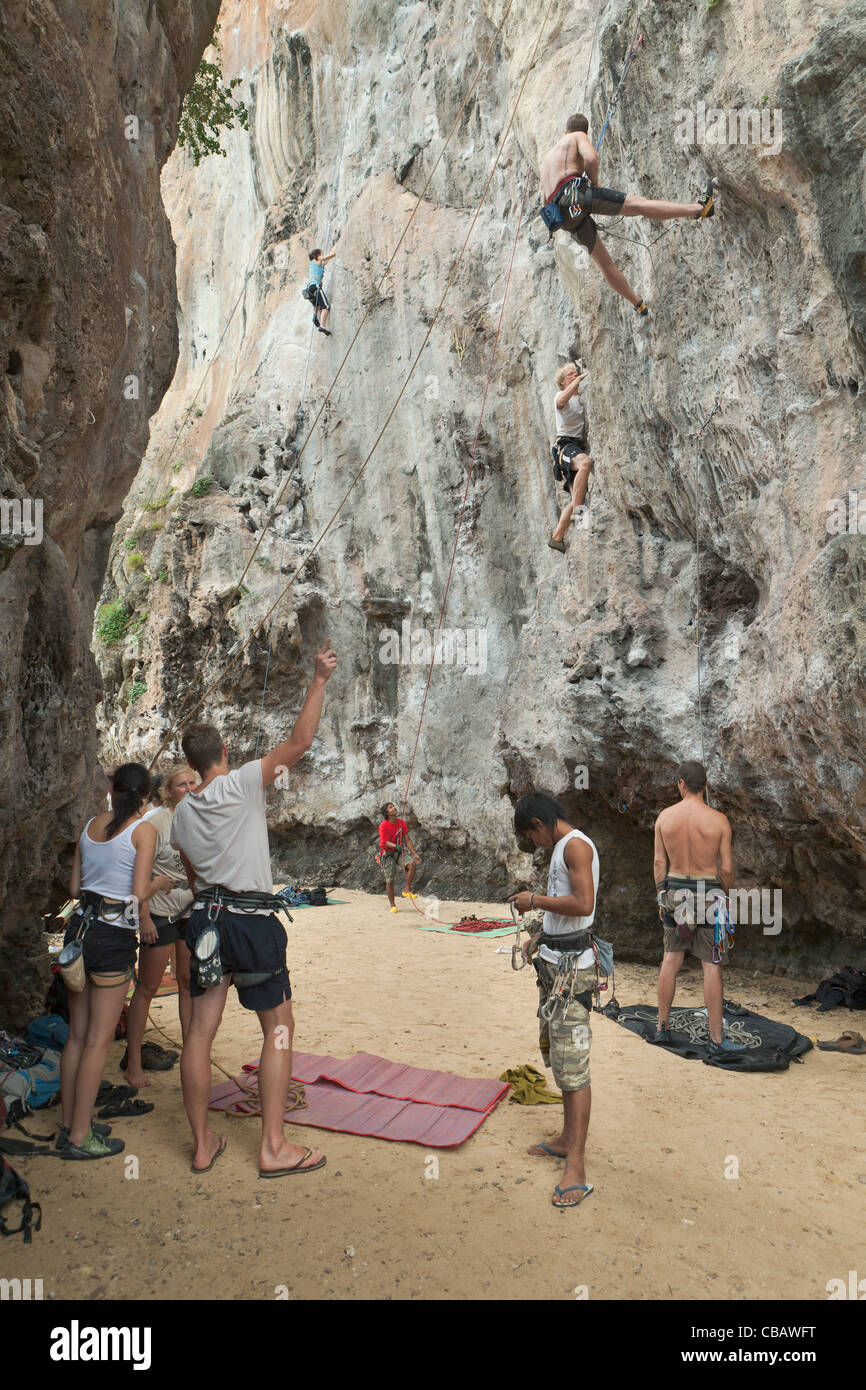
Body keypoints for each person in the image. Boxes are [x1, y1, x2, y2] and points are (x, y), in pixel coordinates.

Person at [171, 639, 337, 1177]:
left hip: (205, 924)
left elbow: (194, 877)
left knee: (199, 1031)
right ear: (223, 751)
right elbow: (301, 740)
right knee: (278, 1028)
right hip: (249, 922)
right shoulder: (242, 782)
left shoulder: (181, 814)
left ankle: (202, 1146)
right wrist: (318, 679)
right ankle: (271, 1147)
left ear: (192, 766)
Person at [59, 763, 171, 1160]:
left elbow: (74, 887)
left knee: (77, 1035)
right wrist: (158, 884)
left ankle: (71, 1120)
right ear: (146, 795)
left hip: (79, 932)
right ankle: (80, 1136)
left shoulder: (90, 825)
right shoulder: (144, 831)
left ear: (113, 788)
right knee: (99, 1041)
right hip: (111, 938)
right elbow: (139, 892)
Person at [509, 792, 599, 1210]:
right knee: (561, 1058)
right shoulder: (563, 847)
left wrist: (535, 901)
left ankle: (576, 1165)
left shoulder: (575, 846)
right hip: (553, 965)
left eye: (532, 834)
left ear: (541, 822)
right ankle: (565, 1140)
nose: (535, 842)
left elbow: (584, 904)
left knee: (575, 1064)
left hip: (572, 972)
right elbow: (566, 915)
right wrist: (539, 938)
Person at [540, 114, 714, 314]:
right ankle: (700, 208)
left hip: (564, 218)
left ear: (564, 130)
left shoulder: (546, 161)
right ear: (580, 131)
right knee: (639, 204)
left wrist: (553, 230)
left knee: (604, 262)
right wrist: (595, 185)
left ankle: (638, 304)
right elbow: (590, 158)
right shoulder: (578, 136)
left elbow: (544, 201)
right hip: (577, 194)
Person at [652, 760, 744, 1054]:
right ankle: (716, 1039)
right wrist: (724, 895)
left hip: (676, 892)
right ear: (706, 785)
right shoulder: (719, 820)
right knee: (712, 966)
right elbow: (727, 868)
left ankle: (662, 1028)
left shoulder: (665, 818)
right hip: (710, 895)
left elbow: (659, 864)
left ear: (681, 783)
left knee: (671, 958)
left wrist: (660, 896)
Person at [122, 764, 198, 1086]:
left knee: (187, 982)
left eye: (193, 782)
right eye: (182, 784)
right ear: (167, 792)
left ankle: (193, 1052)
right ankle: (134, 1062)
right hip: (160, 911)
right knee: (148, 987)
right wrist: (144, 916)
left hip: (191, 908)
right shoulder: (155, 823)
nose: (190, 788)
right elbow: (138, 874)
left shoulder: (199, 819)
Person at [548, 362, 594, 553]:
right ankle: (579, 512)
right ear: (563, 382)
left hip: (577, 446)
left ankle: (557, 538)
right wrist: (580, 380)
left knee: (577, 495)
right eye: (570, 374)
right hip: (565, 446)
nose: (575, 375)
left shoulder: (580, 400)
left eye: (576, 373)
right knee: (586, 463)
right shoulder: (561, 396)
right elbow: (560, 403)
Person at [377, 802, 421, 913]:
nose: (394, 808)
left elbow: (408, 840)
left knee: (412, 865)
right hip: (387, 854)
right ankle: (392, 905)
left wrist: (415, 854)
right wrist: (396, 846)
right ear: (387, 813)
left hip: (398, 853)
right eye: (391, 807)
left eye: (393, 806)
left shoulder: (401, 823)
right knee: (390, 880)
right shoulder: (383, 825)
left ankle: (406, 890)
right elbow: (384, 842)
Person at [304, 247, 336, 335]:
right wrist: (332, 253)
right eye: (321, 254)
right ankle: (322, 325)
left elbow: (328, 259)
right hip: (316, 287)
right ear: (318, 255)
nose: (322, 255)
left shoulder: (313, 264)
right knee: (325, 307)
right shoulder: (317, 259)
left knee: (316, 303)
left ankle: (314, 315)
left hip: (309, 289)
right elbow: (331, 255)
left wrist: (334, 247)